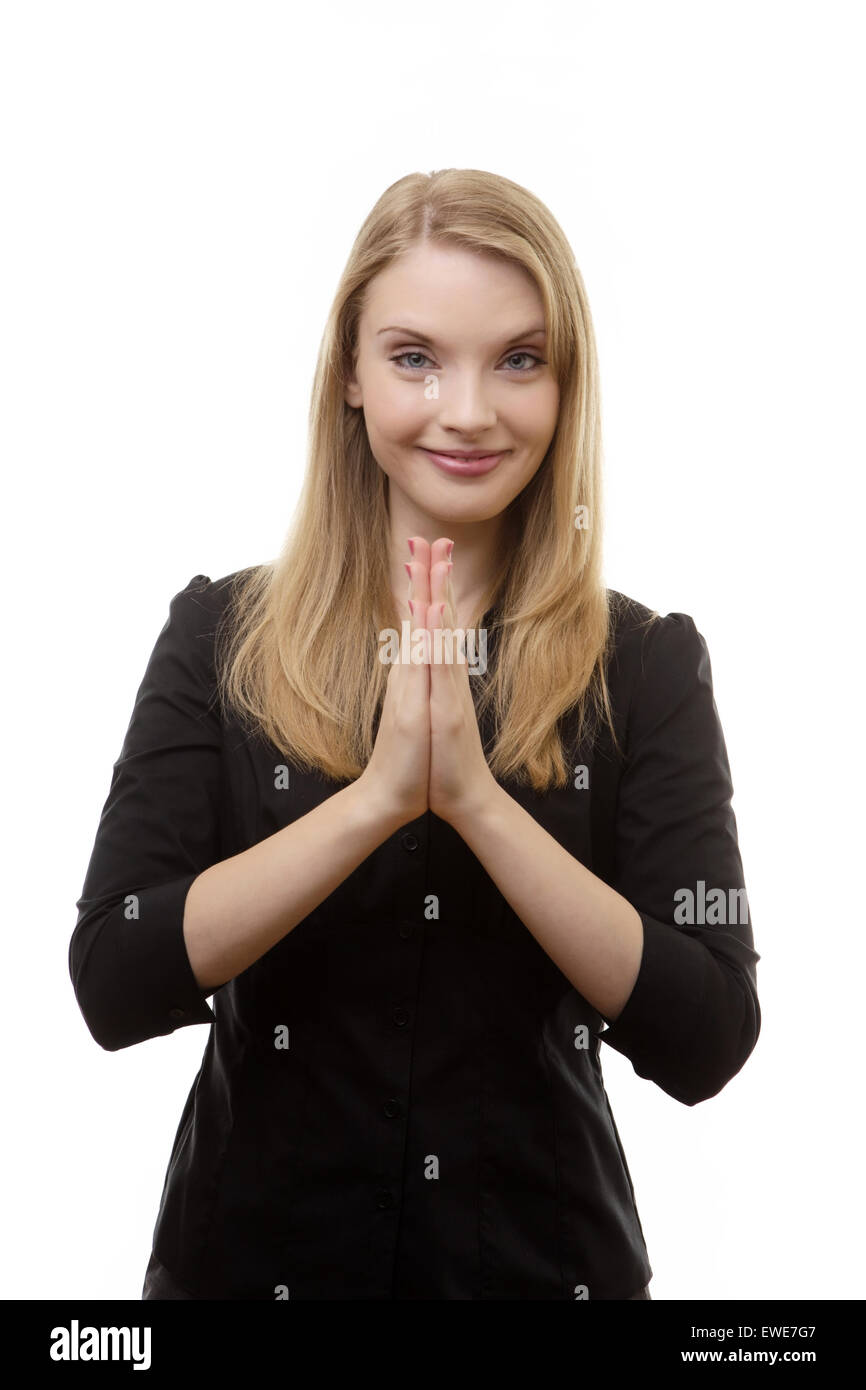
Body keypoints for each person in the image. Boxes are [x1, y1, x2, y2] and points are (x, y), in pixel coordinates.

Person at [69, 168, 761, 1301]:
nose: (469, 409)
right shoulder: (218, 636)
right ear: (349, 372)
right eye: (415, 358)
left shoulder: (646, 665)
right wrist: (376, 801)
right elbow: (114, 977)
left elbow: (709, 1033)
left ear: (566, 382)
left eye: (519, 359)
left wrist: (476, 804)